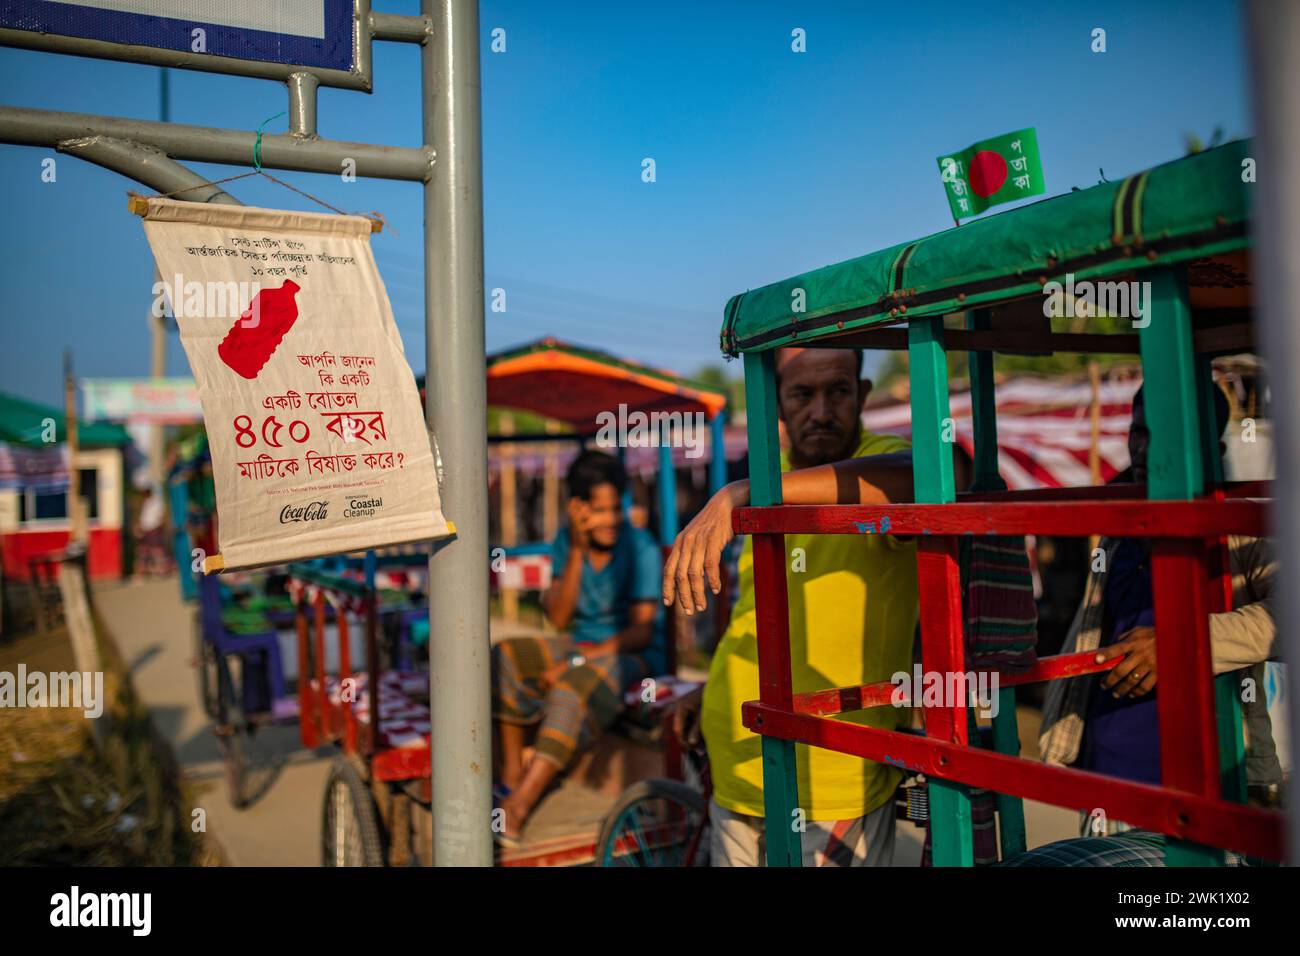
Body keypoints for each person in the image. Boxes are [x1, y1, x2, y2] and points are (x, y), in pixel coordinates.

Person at [664, 347, 917, 866]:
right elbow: (751, 612)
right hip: (736, 758)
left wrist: (744, 491)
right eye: (803, 394)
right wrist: (710, 683)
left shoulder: (876, 463)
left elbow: (934, 474)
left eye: (838, 391)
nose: (821, 411)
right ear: (777, 404)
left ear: (863, 394)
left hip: (834, 776)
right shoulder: (769, 474)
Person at [1039, 384, 1282, 828]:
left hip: (1209, 791)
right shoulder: (1119, 528)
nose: (1144, 447)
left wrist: (1178, 645)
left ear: (1215, 447)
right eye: (1138, 431)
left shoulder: (1243, 528)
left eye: (1165, 432)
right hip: (1107, 782)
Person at [491, 450, 664, 845]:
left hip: (634, 655)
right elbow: (559, 617)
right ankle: (512, 778)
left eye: (614, 508)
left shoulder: (641, 548)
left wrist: (576, 659)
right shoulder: (566, 541)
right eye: (597, 510)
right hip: (580, 643)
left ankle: (517, 808)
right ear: (577, 508)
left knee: (570, 688)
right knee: (507, 655)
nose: (609, 520)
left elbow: (639, 631)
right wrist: (575, 551)